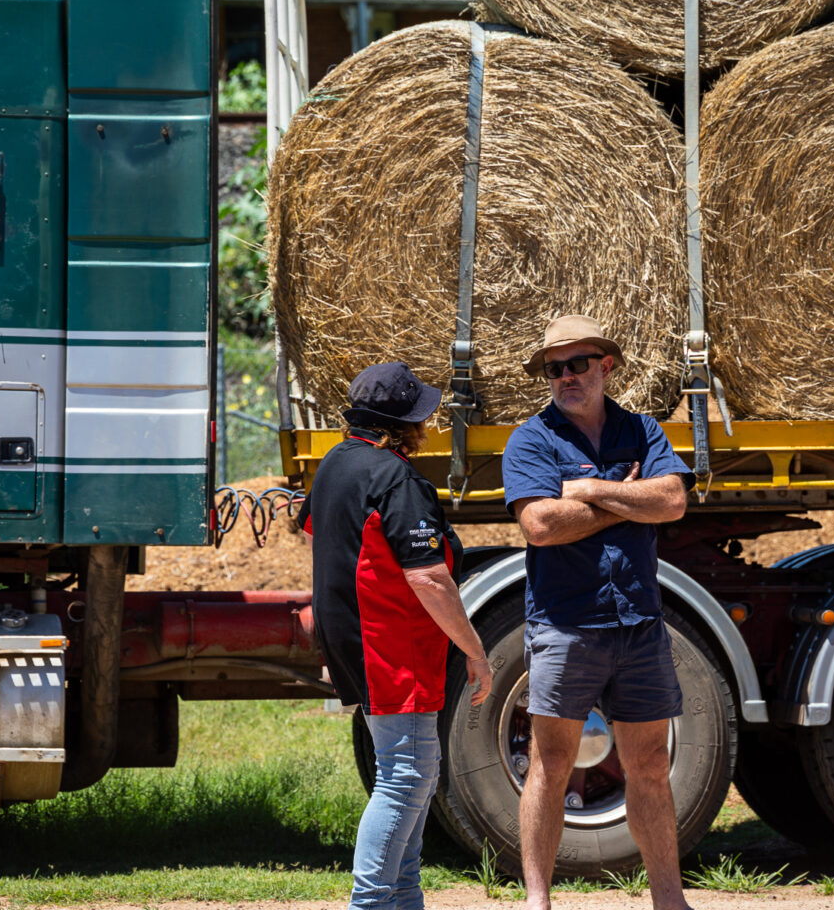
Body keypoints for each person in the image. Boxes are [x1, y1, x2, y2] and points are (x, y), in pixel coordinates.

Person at [501, 315, 696, 910]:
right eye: (554, 369)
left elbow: (672, 501)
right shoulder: (531, 440)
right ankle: (538, 901)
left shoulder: (641, 431)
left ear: (605, 366)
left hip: (637, 622)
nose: (565, 377)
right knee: (550, 764)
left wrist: (583, 491)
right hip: (564, 625)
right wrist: (622, 500)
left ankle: (668, 899)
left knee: (650, 764)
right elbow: (539, 525)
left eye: (577, 364)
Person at [297, 361, 493, 910]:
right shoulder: (395, 476)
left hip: (357, 638)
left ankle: (403, 901)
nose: (429, 421)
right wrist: (476, 652)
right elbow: (429, 576)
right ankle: (370, 902)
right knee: (406, 779)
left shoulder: (336, 462)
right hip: (391, 646)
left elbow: (315, 527)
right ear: (402, 423)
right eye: (422, 415)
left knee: (411, 778)